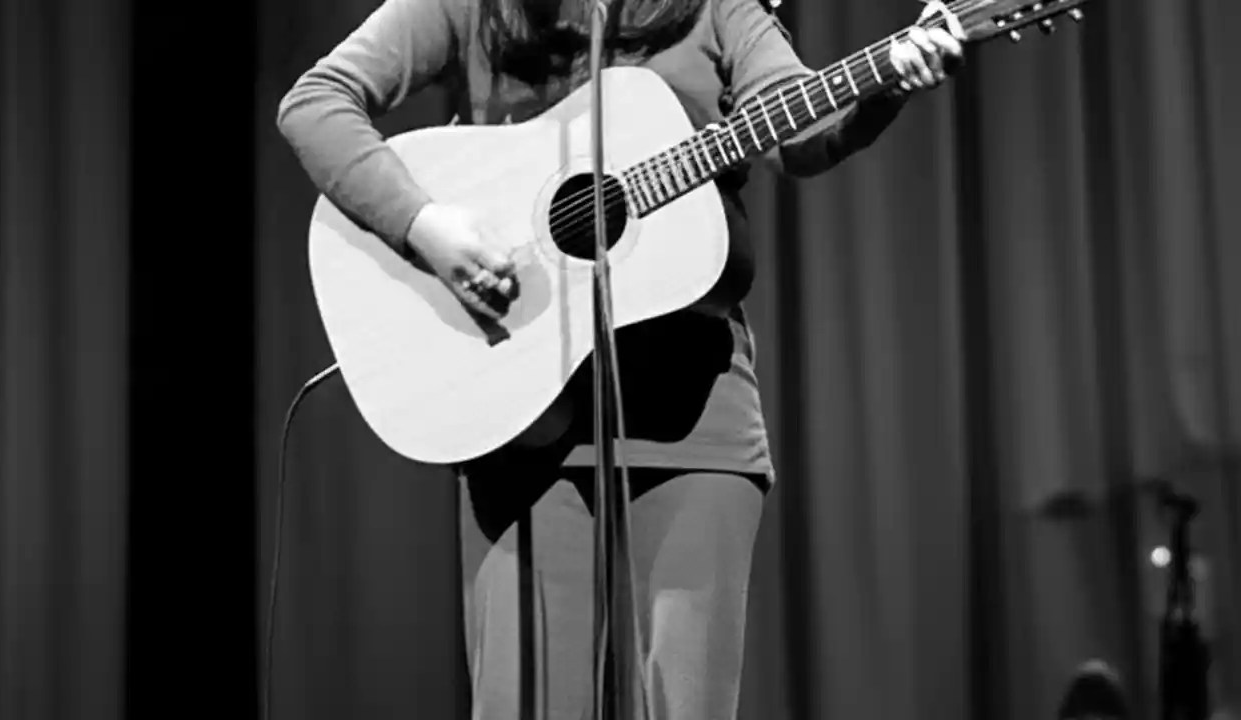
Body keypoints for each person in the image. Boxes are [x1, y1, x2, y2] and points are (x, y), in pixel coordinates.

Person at [277, 0, 964, 717]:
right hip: (521, 413)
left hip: (692, 421)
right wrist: (422, 223)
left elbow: (802, 132)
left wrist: (888, 80)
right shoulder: (477, 7)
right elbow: (316, 101)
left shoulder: (718, 8)